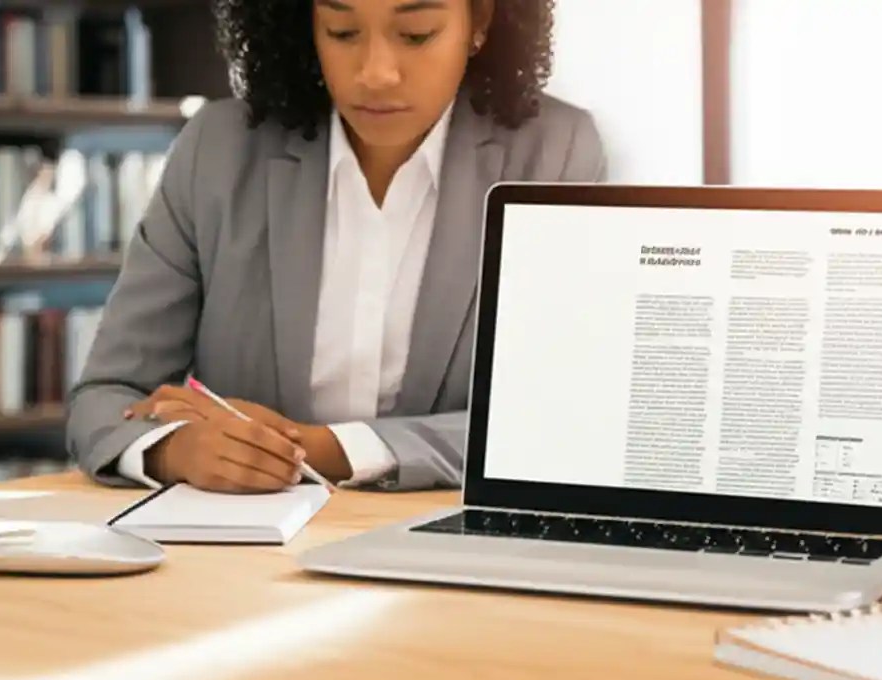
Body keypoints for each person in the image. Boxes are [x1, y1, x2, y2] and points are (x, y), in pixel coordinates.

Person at [65, 0, 607, 495]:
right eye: (342, 31)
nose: (375, 73)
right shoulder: (219, 151)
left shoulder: (555, 153)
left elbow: (551, 422)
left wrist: (317, 447)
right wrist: (176, 449)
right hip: (243, 561)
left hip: (442, 551)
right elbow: (106, 395)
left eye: (416, 34)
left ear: (480, 23)